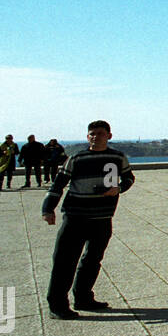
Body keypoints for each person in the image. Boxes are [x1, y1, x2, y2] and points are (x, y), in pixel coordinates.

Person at [41, 120, 135, 318]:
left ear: (109, 136)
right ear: (87, 137)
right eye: (92, 133)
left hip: (102, 218)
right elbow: (58, 183)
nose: (95, 137)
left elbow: (129, 178)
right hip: (76, 217)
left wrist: (119, 188)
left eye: (100, 133)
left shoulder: (117, 157)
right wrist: (48, 209)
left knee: (92, 260)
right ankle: (57, 306)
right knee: (64, 261)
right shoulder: (77, 158)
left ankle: (84, 298)